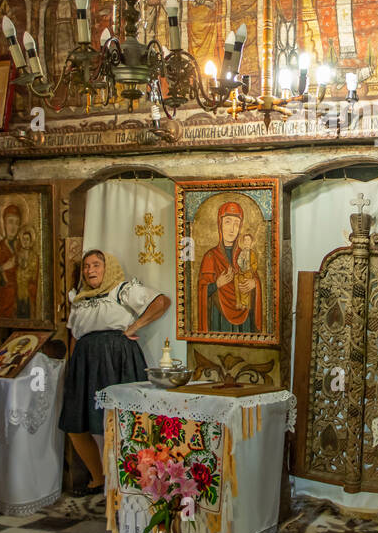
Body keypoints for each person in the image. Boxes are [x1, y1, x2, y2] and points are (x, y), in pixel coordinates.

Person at [58, 249, 170, 494]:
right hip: (85, 361)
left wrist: (135, 325)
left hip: (115, 359)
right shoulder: (79, 299)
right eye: (86, 266)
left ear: (107, 268)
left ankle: (127, 481)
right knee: (77, 423)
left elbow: (162, 302)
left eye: (96, 265)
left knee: (121, 422)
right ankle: (98, 478)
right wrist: (73, 367)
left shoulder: (122, 291)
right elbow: (75, 336)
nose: (90, 270)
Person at [196, 202, 262, 333]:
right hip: (219, 316)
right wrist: (217, 284)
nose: (232, 229)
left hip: (245, 313)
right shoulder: (211, 256)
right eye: (227, 222)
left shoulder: (246, 255)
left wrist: (254, 283)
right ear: (220, 224)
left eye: (236, 224)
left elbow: (256, 278)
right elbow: (201, 290)